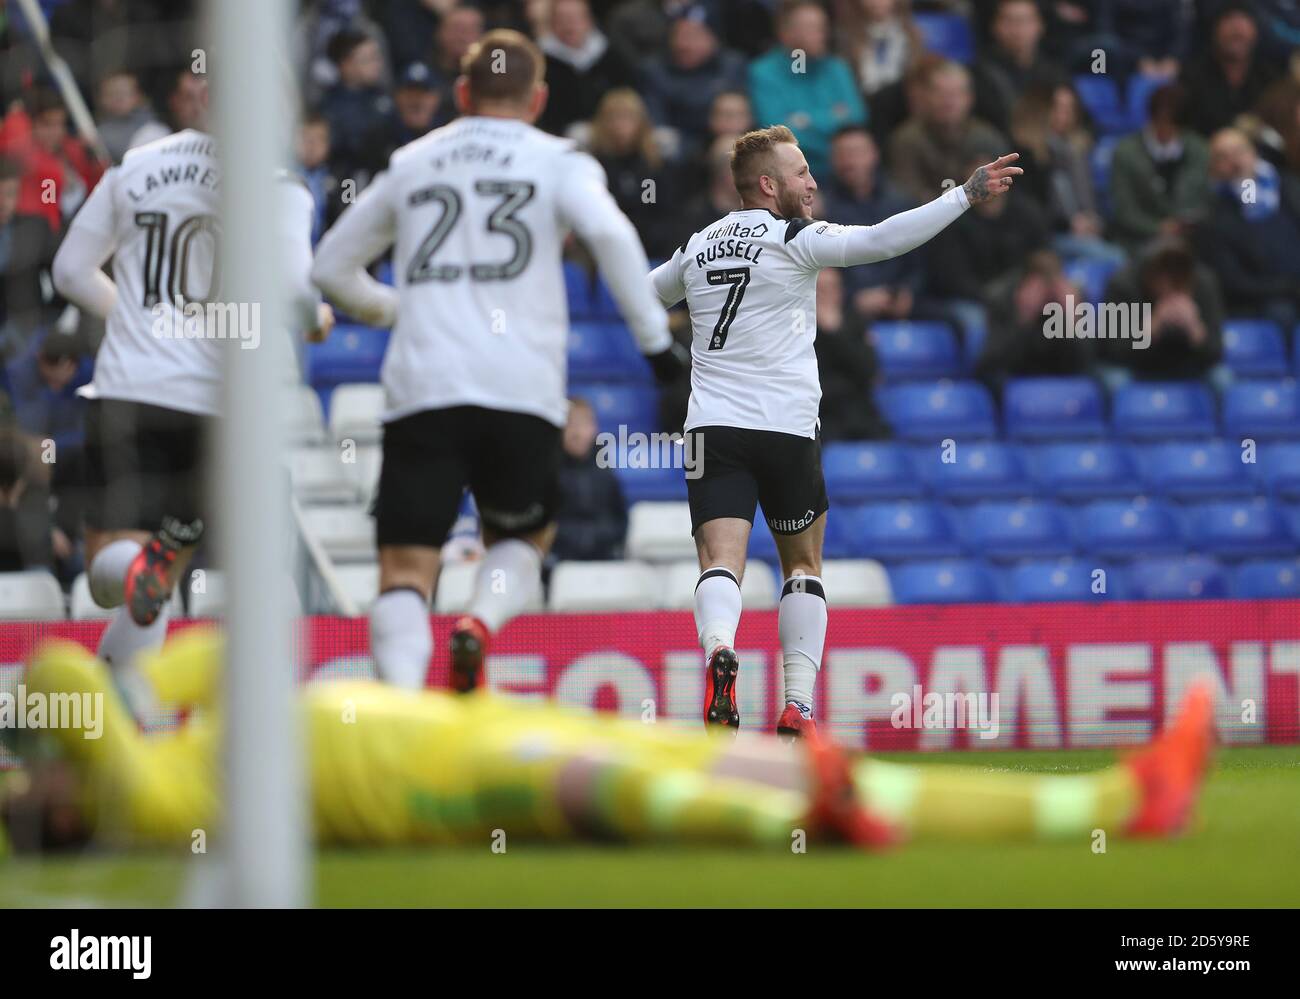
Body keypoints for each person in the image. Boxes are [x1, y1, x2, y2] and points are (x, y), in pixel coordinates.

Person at [0, 629, 1216, 855]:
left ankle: (1116, 798)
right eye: (38, 776)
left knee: (757, 755)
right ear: (61, 808)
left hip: (465, 730)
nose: (48, 762)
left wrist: (146, 687)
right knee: (613, 786)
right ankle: (790, 823)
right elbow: (60, 672)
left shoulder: (152, 761)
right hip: (436, 777)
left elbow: (233, 646)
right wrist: (118, 697)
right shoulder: (141, 796)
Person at [311, 30, 684, 693]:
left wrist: (398, 309)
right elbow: (610, 233)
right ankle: (480, 621)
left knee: (403, 568)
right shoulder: (558, 159)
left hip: (423, 385)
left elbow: (331, 267)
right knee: (523, 537)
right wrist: (657, 345)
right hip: (521, 387)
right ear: (538, 98)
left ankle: (403, 708)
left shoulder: (413, 161)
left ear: (461, 93)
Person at [649, 124, 1021, 736]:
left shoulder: (698, 244)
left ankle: (720, 647)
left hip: (712, 427)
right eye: (801, 173)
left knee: (720, 560)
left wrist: (659, 349)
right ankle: (798, 704)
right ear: (768, 185)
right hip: (787, 429)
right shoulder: (796, 237)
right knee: (803, 564)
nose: (813, 182)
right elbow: (881, 240)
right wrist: (964, 195)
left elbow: (639, 298)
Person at [50, 74, 330, 686]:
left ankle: (130, 594)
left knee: (114, 576)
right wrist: (319, 316)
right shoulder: (280, 188)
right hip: (221, 412)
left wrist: (132, 313)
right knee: (222, 572)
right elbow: (295, 290)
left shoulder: (136, 166)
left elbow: (70, 271)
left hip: (129, 392)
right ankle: (264, 715)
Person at [748, 0, 867, 180]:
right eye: (812, 28)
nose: (822, 35)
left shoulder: (836, 68)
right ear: (785, 33)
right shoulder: (763, 73)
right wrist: (834, 117)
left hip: (843, 168)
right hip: (789, 172)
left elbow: (857, 117)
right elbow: (777, 134)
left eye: (823, 27)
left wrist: (804, 121)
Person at [551, 397, 628, 562]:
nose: (577, 433)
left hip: (604, 556)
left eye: (584, 424)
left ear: (595, 428)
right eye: (570, 424)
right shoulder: (550, 473)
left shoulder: (606, 472)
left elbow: (619, 519)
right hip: (560, 558)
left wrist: (598, 537)